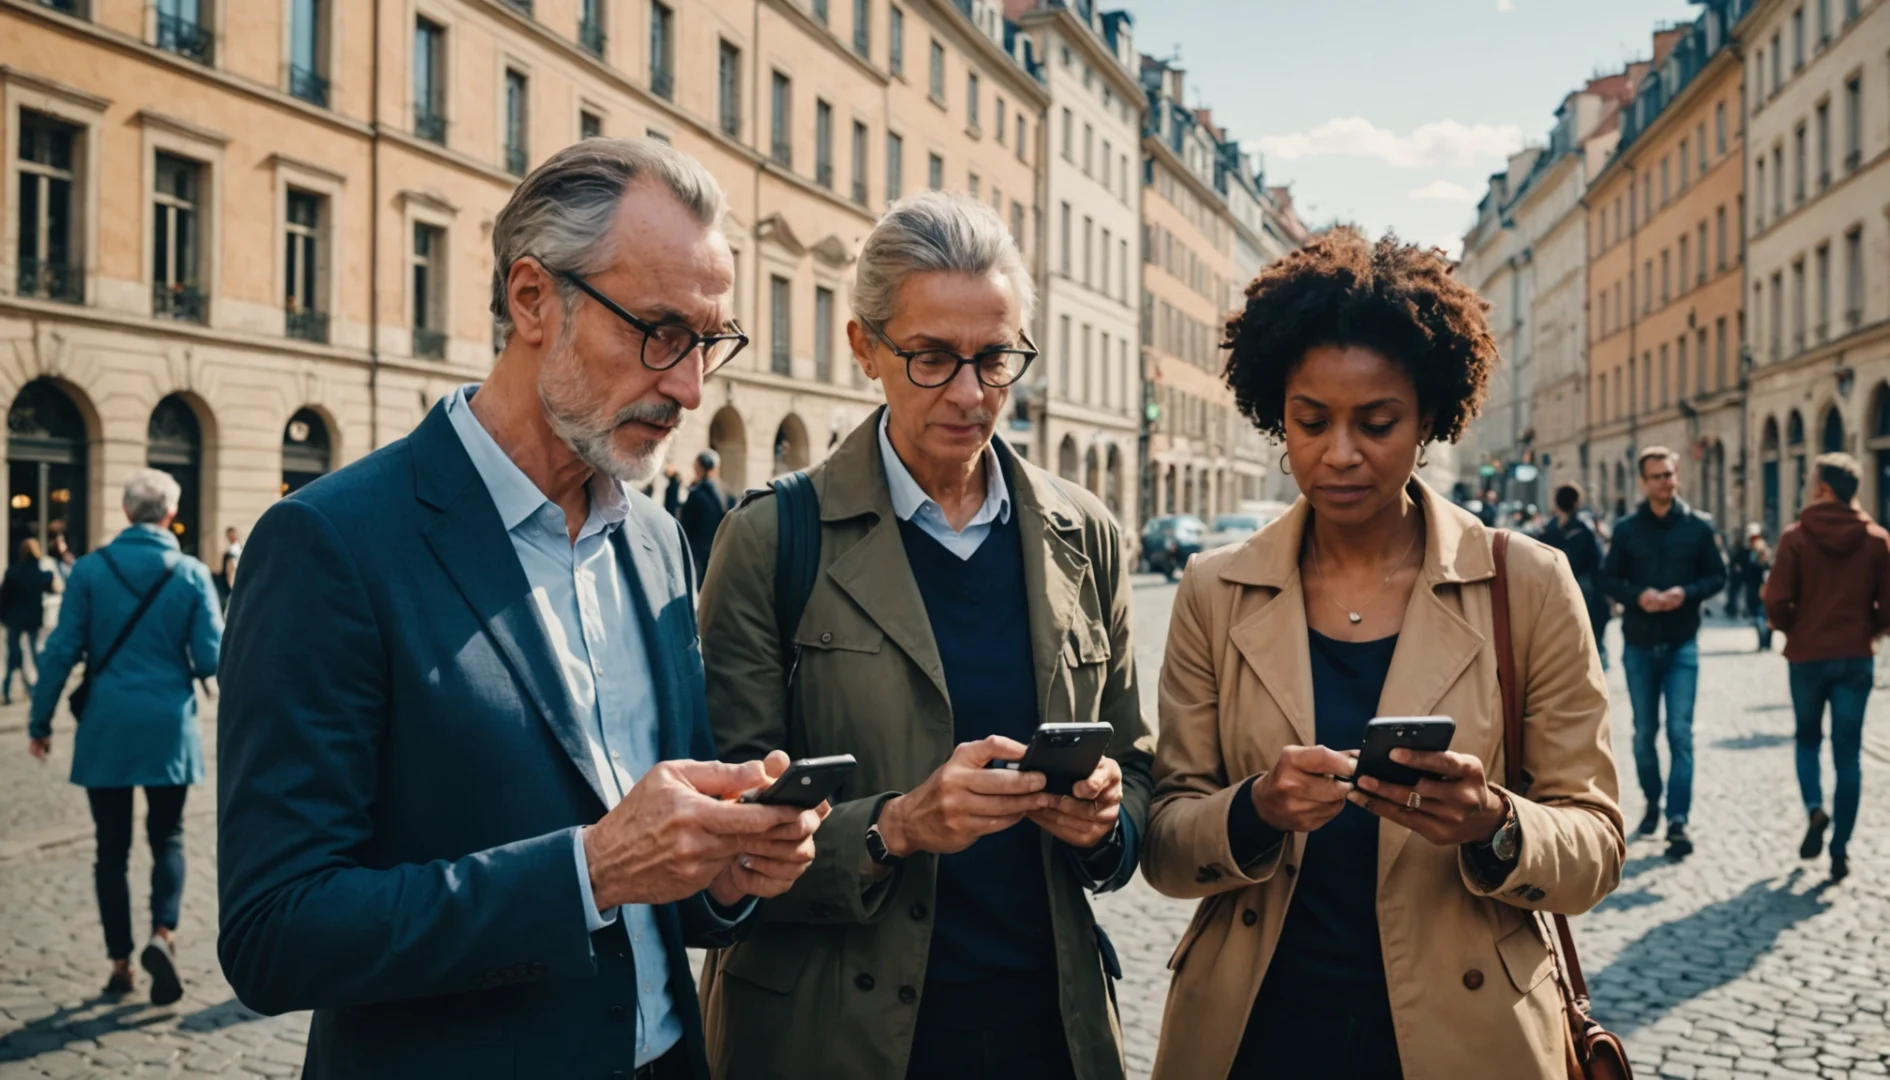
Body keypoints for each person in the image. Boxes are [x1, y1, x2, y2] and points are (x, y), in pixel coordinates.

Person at [215, 139, 824, 1080]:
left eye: (710, 342)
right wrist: (587, 874)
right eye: (660, 332)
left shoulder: (658, 543)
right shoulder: (329, 545)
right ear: (531, 298)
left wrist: (726, 873)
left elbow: (664, 885)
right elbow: (274, 932)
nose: (690, 387)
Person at [1140, 230, 1622, 1079]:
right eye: (1310, 420)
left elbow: (1595, 846)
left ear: (1430, 416)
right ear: (1273, 413)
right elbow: (1169, 842)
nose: (1340, 453)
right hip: (1255, 1033)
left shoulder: (1527, 582)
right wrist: (1256, 808)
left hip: (1465, 1036)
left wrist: (1496, 824)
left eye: (1378, 421)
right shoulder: (1215, 590)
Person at [696, 192, 1154, 1080]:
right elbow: (726, 828)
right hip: (832, 1037)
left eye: (995, 359)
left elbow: (1138, 770)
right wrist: (896, 826)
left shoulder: (1084, 532)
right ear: (865, 349)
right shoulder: (771, 539)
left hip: (1045, 1027)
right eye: (933, 358)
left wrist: (1104, 821)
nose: (972, 392)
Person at [27, 470, 223, 1003]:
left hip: (107, 725)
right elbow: (211, 658)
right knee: (170, 838)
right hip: (168, 726)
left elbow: (61, 651)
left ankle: (119, 964)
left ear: (124, 512)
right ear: (169, 515)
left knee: (109, 850)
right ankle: (163, 934)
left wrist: (39, 722)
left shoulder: (89, 571)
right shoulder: (189, 574)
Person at [1761, 453, 1890, 883]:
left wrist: (1792, 629)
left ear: (1824, 489)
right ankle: (1841, 850)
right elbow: (1887, 606)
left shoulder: (1796, 537)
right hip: (1855, 655)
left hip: (1807, 656)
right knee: (1849, 754)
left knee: (1807, 739)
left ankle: (1816, 808)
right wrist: (1866, 630)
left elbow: (1775, 599)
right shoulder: (1876, 539)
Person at [1601, 447, 1727, 859]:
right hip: (1638, 644)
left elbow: (1717, 576)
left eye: (1669, 475)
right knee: (1642, 737)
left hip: (1681, 645)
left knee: (1680, 734)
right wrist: (1640, 596)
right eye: (1656, 476)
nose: (1664, 482)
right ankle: (1652, 802)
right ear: (1643, 482)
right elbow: (1609, 579)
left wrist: (1684, 593)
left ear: (1678, 477)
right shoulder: (1626, 530)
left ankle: (1678, 820)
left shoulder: (1699, 527)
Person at [1539, 484, 1612, 671]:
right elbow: (1598, 562)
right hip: (1584, 589)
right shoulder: (1585, 529)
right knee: (1589, 637)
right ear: (1577, 503)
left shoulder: (1549, 530)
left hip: (1556, 591)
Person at [1, 538, 59, 704]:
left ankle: (7, 690)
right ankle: (39, 688)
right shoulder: (40, 574)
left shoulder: (13, 573)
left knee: (13, 655)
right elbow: (54, 588)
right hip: (32, 618)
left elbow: (3, 597)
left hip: (15, 620)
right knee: (35, 654)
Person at [676, 449, 733, 584]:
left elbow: (686, 524)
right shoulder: (726, 493)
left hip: (698, 550)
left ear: (698, 467)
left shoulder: (696, 493)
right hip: (719, 548)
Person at [1743, 526, 1774, 651]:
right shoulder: (1750, 558)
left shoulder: (1763, 563)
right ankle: (1764, 642)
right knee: (1762, 618)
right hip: (1757, 592)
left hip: (1764, 593)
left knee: (1763, 619)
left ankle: (1764, 642)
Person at [216, 526, 241, 611]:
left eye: (233, 534)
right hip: (230, 586)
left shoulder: (243, 550)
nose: (231, 537)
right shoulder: (227, 554)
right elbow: (225, 572)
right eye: (229, 535)